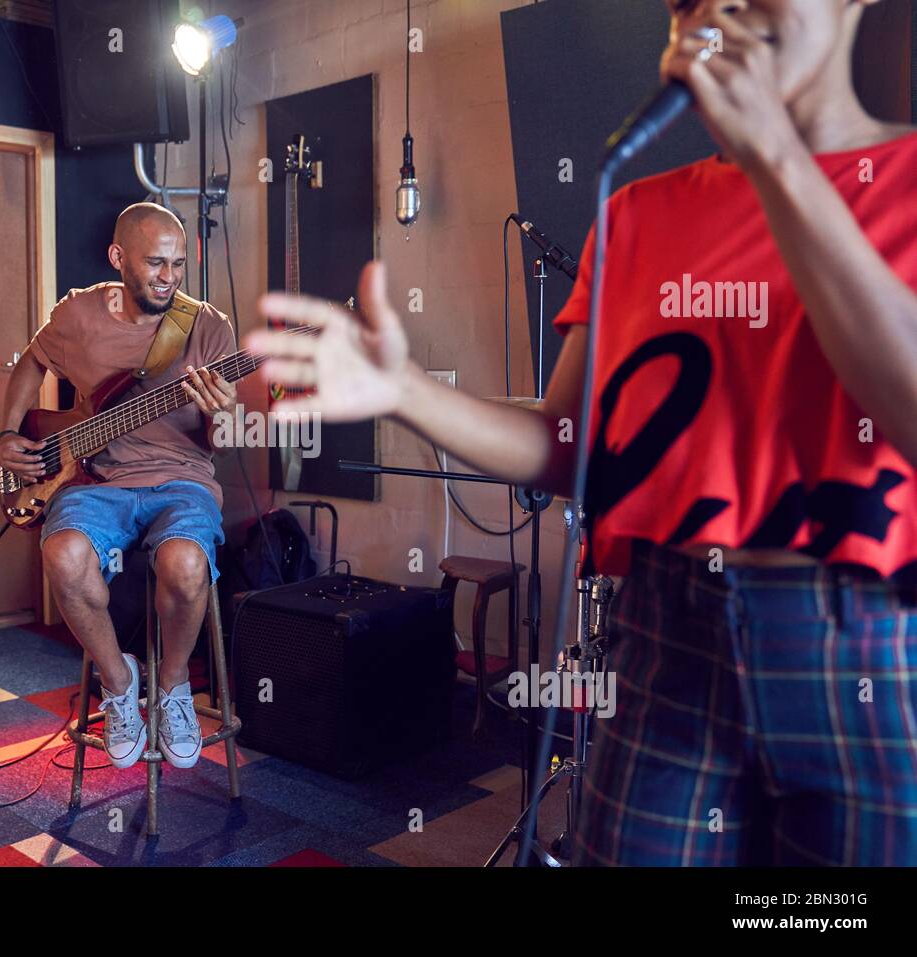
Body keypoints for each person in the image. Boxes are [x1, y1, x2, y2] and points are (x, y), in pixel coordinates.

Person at [247, 0, 917, 865]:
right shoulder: (638, 214)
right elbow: (570, 449)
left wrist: (779, 160)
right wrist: (401, 390)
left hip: (867, 647)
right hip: (668, 638)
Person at [0, 203, 237, 770]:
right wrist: (10, 429)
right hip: (95, 477)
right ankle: (120, 682)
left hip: (182, 480)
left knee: (184, 564)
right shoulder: (77, 314)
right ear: (118, 259)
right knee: (63, 553)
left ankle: (174, 686)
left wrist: (221, 413)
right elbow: (31, 362)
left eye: (178, 264)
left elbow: (218, 443)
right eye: (155, 263)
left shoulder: (207, 326)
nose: (168, 277)